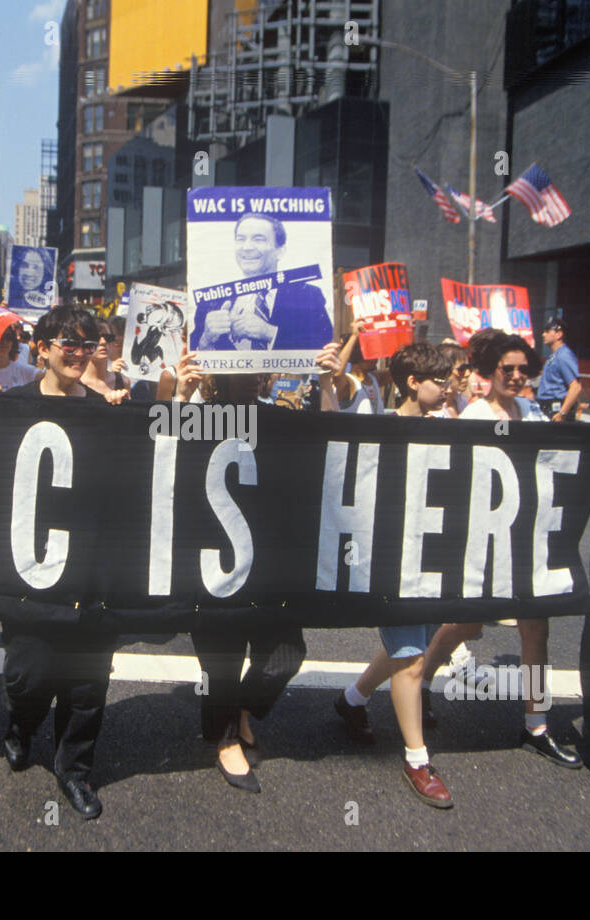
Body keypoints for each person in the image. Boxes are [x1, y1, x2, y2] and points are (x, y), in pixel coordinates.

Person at [174, 341, 341, 793]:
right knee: (221, 664)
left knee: (285, 655)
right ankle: (225, 738)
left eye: (260, 366)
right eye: (243, 365)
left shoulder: (277, 416)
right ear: (219, 370)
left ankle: (241, 711)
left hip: (272, 564)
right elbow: (161, 453)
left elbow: (329, 438)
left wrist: (327, 381)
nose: (254, 373)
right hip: (212, 563)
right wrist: (179, 392)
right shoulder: (200, 412)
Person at [419, 330, 582, 768]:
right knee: (465, 625)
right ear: (489, 372)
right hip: (484, 538)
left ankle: (537, 726)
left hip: (526, 538)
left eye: (522, 370)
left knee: (536, 629)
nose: (514, 376)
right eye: (506, 369)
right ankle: (420, 684)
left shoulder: (529, 411)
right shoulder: (475, 411)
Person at [0, 305, 128, 821]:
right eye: (66, 344)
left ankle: (74, 771)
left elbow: (184, 435)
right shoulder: (10, 404)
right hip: (28, 570)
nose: (77, 353)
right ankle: (20, 725)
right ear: (43, 349)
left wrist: (176, 394)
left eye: (87, 343)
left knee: (87, 683)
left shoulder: (110, 407)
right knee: (28, 675)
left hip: (94, 572)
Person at [333, 342, 455, 808]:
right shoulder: (378, 423)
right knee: (412, 660)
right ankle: (417, 760)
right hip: (390, 558)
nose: (447, 388)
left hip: (429, 556)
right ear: (411, 383)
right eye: (439, 381)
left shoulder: (449, 428)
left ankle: (351, 699)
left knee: (412, 646)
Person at [190, 212, 333, 352]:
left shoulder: (308, 296)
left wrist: (270, 333)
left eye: (258, 239)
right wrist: (206, 341)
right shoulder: (212, 300)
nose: (247, 247)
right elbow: (191, 365)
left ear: (280, 251)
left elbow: (323, 353)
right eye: (241, 239)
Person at [537, 316, 581, 421]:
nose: (543, 334)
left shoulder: (564, 355)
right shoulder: (555, 356)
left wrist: (562, 413)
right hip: (548, 406)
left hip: (556, 408)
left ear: (558, 334)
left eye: (547, 331)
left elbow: (575, 387)